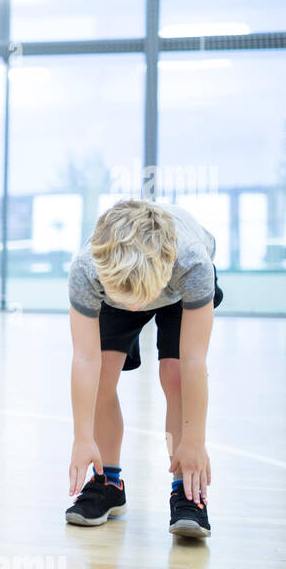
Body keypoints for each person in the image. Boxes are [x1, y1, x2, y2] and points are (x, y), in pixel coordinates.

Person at [65, 199, 222, 539]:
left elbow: (195, 360)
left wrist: (194, 442)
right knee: (103, 375)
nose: (136, 308)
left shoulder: (193, 263)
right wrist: (82, 437)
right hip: (117, 286)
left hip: (176, 290)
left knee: (175, 374)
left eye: (139, 298)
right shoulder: (87, 269)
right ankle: (108, 482)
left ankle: (187, 491)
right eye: (127, 299)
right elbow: (85, 359)